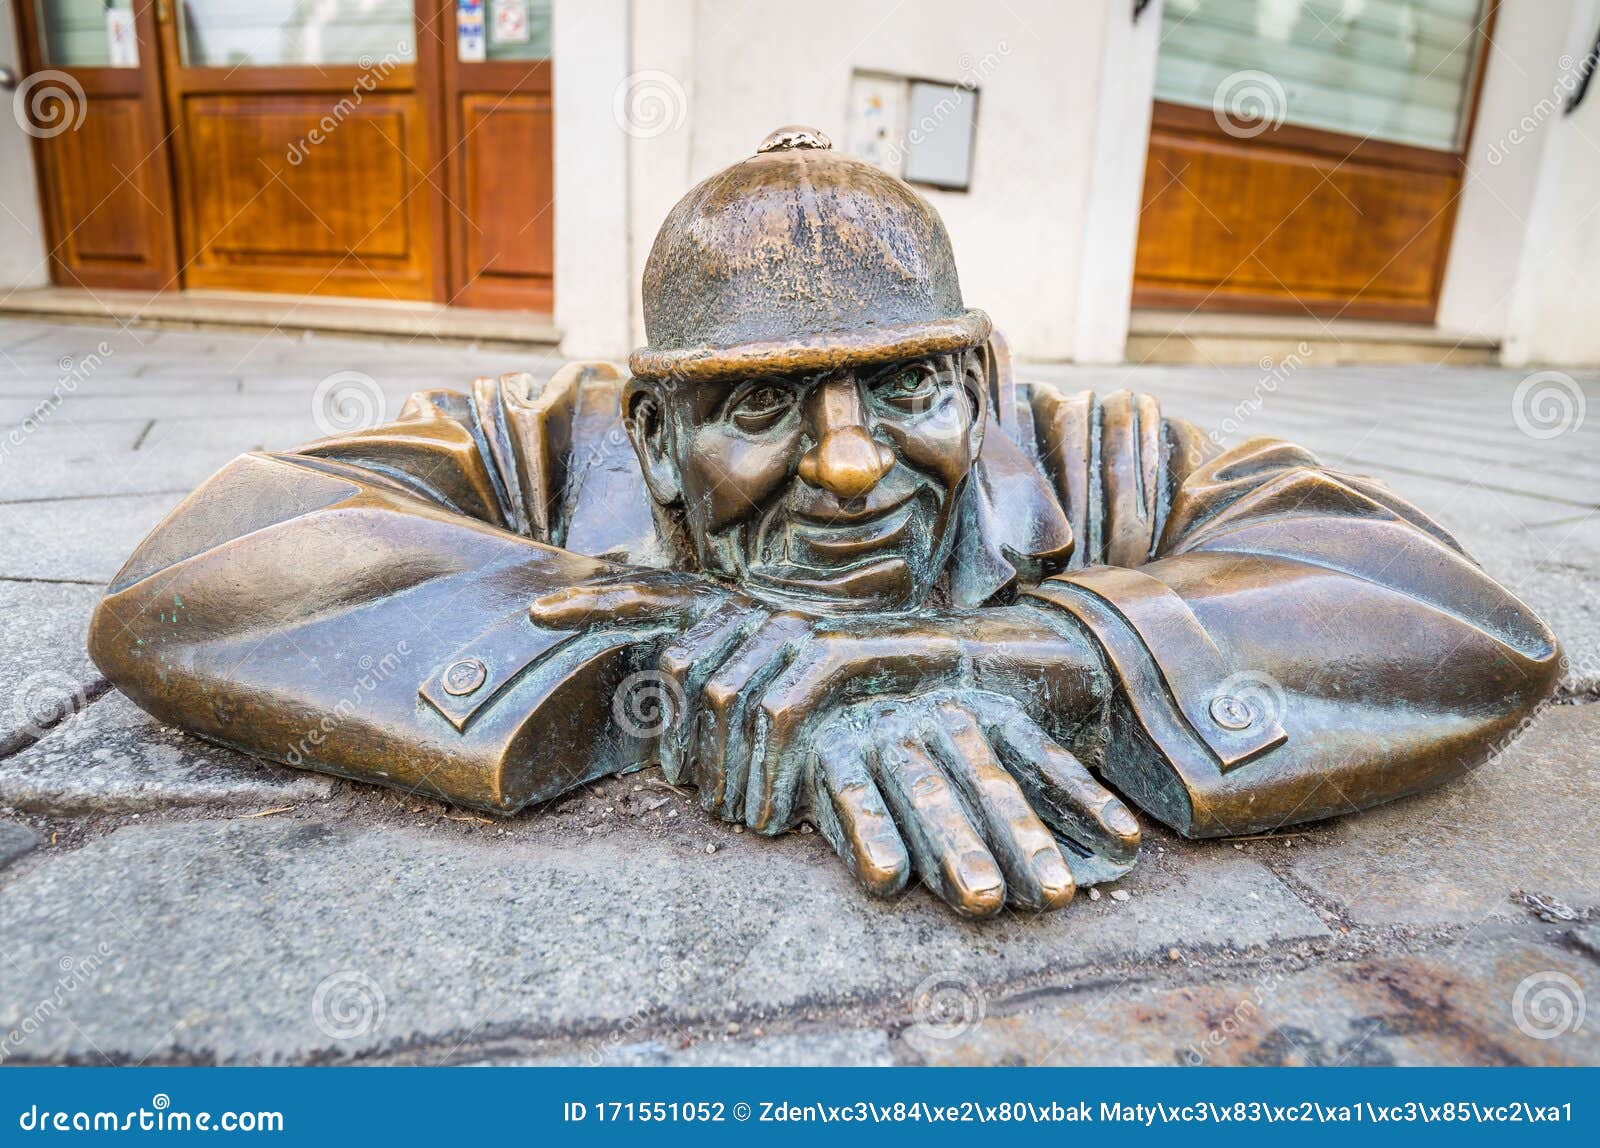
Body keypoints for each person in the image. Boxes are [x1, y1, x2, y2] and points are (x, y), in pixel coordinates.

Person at [89, 127, 1560, 919]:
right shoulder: (546, 438)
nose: (852, 466)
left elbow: (1457, 613)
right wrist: (678, 664)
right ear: (651, 429)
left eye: (908, 386)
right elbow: (202, 571)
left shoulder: (1082, 449)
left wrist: (1024, 665)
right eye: (761, 408)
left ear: (979, 376)